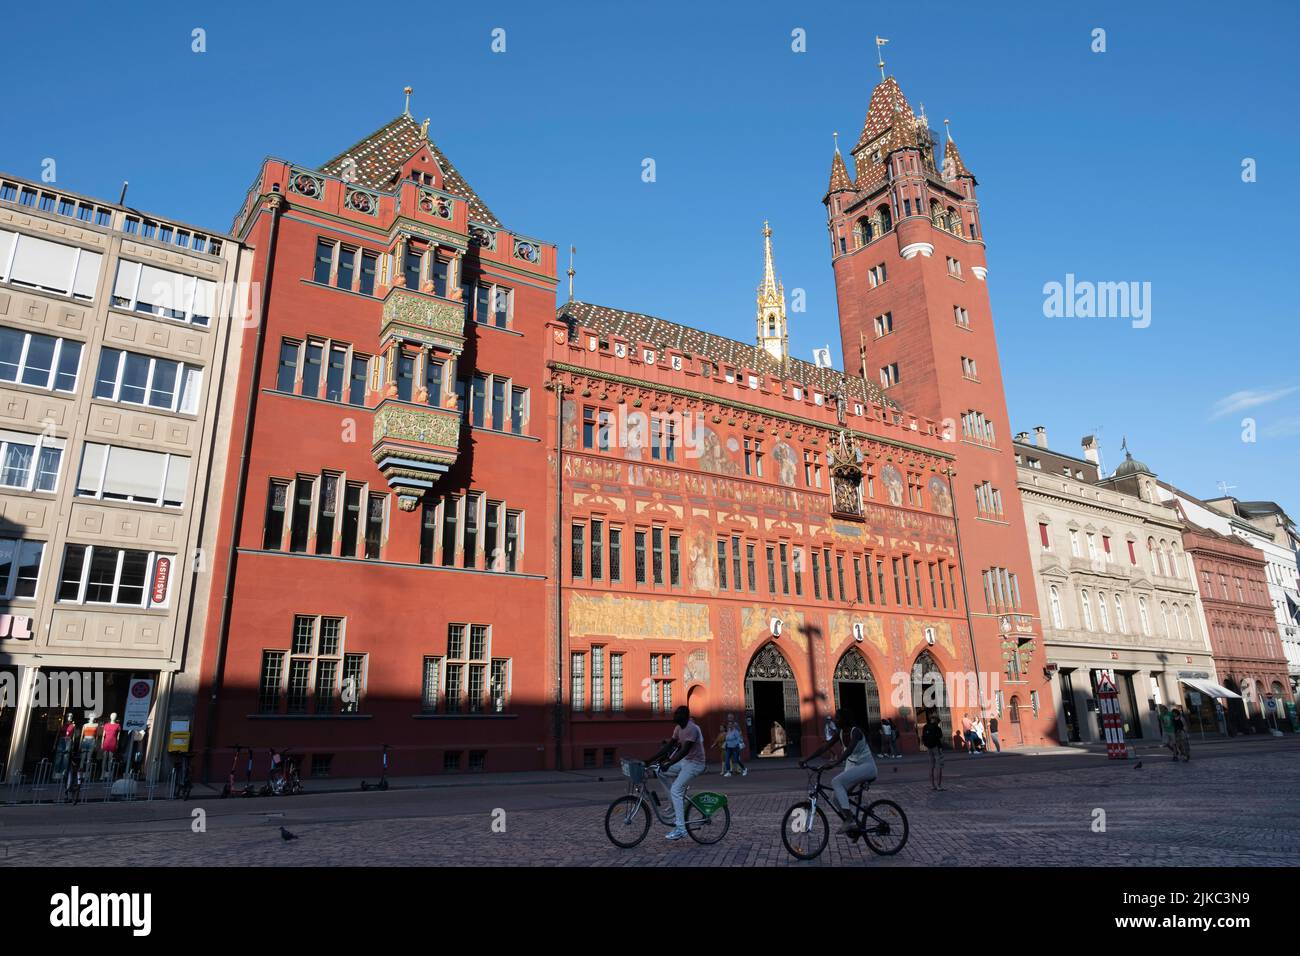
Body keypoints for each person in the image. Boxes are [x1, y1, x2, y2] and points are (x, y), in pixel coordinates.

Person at [801, 708, 878, 833]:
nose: (835, 721)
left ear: (844, 720)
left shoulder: (856, 732)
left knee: (836, 782)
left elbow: (849, 750)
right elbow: (824, 747)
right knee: (836, 797)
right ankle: (855, 821)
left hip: (867, 767)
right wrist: (806, 759)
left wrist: (835, 763)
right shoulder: (841, 733)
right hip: (853, 766)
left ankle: (849, 820)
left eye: (837, 718)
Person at [645, 706, 708, 840]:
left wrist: (669, 763)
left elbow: (684, 750)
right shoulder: (678, 728)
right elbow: (670, 746)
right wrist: (650, 760)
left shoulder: (692, 729)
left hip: (696, 764)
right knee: (659, 771)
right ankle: (675, 805)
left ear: (685, 716)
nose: (674, 716)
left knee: (676, 789)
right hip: (686, 762)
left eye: (677, 714)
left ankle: (681, 828)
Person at [922, 712, 945, 791]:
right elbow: (940, 739)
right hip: (936, 748)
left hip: (929, 748)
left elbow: (923, 738)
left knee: (931, 766)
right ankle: (939, 786)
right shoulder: (937, 728)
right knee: (939, 766)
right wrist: (941, 748)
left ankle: (932, 786)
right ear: (936, 720)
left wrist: (927, 745)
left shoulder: (925, 727)